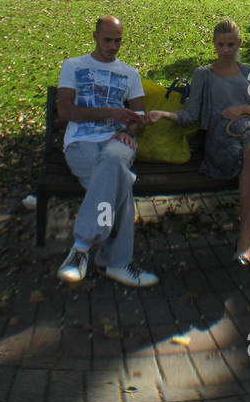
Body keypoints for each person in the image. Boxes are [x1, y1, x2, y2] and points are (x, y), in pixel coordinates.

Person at [52, 16, 174, 287]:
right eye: (107, 40)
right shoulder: (73, 66)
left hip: (119, 142)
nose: (113, 46)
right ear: (95, 36)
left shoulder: (129, 73)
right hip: (80, 142)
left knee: (113, 160)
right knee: (118, 179)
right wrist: (108, 111)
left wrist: (129, 130)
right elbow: (65, 112)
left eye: (118, 40)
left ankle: (81, 249)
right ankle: (116, 263)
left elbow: (138, 118)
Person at [183, 19, 250, 272]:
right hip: (223, 141)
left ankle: (244, 242)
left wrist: (244, 109)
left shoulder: (248, 73)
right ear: (214, 44)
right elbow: (190, 114)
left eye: (230, 44)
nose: (225, 50)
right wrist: (162, 116)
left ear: (239, 44)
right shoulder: (204, 74)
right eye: (220, 44)